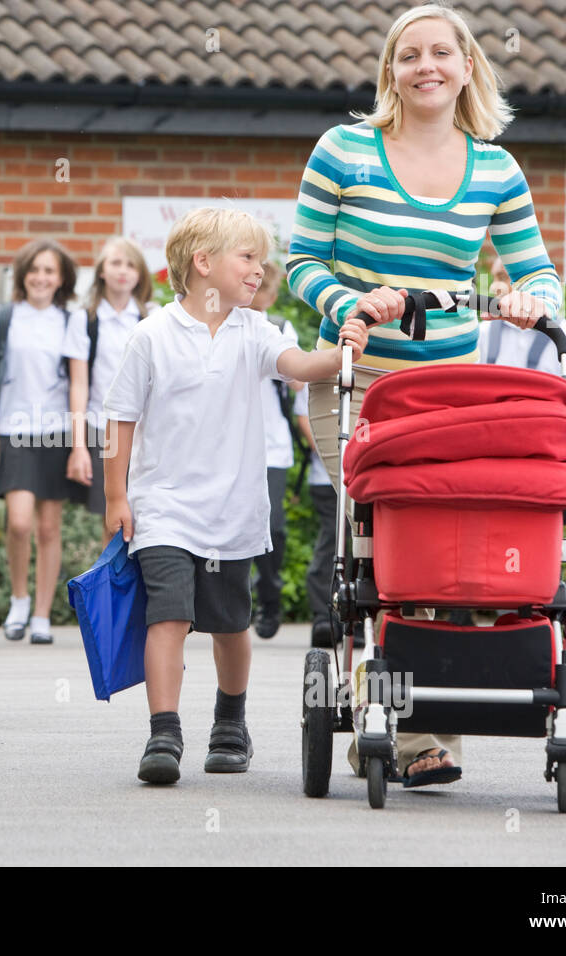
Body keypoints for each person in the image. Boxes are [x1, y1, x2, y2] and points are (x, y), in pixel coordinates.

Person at [285, 3, 563, 787]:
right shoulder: (344, 151)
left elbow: (535, 268)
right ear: (391, 72)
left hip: (448, 392)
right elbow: (302, 259)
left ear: (468, 66)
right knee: (384, 552)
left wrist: (530, 299)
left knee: (442, 552)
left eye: (442, 53)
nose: (426, 67)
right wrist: (352, 302)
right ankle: (406, 737)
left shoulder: (495, 170)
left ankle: (421, 727)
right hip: (361, 383)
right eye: (410, 56)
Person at [104, 206, 369, 785]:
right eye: (248, 259)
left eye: (261, 260)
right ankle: (164, 731)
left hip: (233, 512)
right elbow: (119, 419)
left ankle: (230, 722)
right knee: (167, 616)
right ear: (203, 264)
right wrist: (115, 498)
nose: (259, 271)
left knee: (229, 624)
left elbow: (298, 365)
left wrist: (343, 348)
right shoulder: (151, 335)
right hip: (164, 508)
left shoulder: (255, 331)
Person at [0, 239, 89, 646]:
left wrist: (79, 445)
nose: (41, 277)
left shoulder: (71, 320)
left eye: (50, 271)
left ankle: (42, 615)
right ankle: (18, 600)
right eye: (34, 270)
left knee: (49, 526)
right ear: (22, 275)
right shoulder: (3, 317)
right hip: (15, 430)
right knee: (20, 523)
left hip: (57, 432)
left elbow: (79, 383)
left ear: (62, 279)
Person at [65, 236, 154, 526]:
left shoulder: (150, 318)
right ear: (101, 271)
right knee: (114, 522)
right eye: (115, 263)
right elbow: (78, 386)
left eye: (130, 265)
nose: (123, 270)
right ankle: (114, 575)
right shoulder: (84, 320)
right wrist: (79, 446)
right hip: (103, 430)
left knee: (146, 518)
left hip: (148, 435)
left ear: (139, 274)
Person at [248, 262, 299, 639]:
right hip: (231, 446)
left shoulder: (279, 328)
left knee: (273, 526)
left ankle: (269, 594)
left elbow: (297, 379)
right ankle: (235, 597)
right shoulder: (223, 324)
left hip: (273, 446)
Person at [480, 254, 566, 411]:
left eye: (502, 277)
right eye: (494, 278)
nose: (493, 287)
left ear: (530, 282)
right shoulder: (484, 331)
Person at [293, 384, 340, 649]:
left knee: (361, 542)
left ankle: (351, 616)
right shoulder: (319, 360)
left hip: (362, 472)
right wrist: (331, 457)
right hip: (326, 476)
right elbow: (303, 415)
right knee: (333, 538)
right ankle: (323, 615)